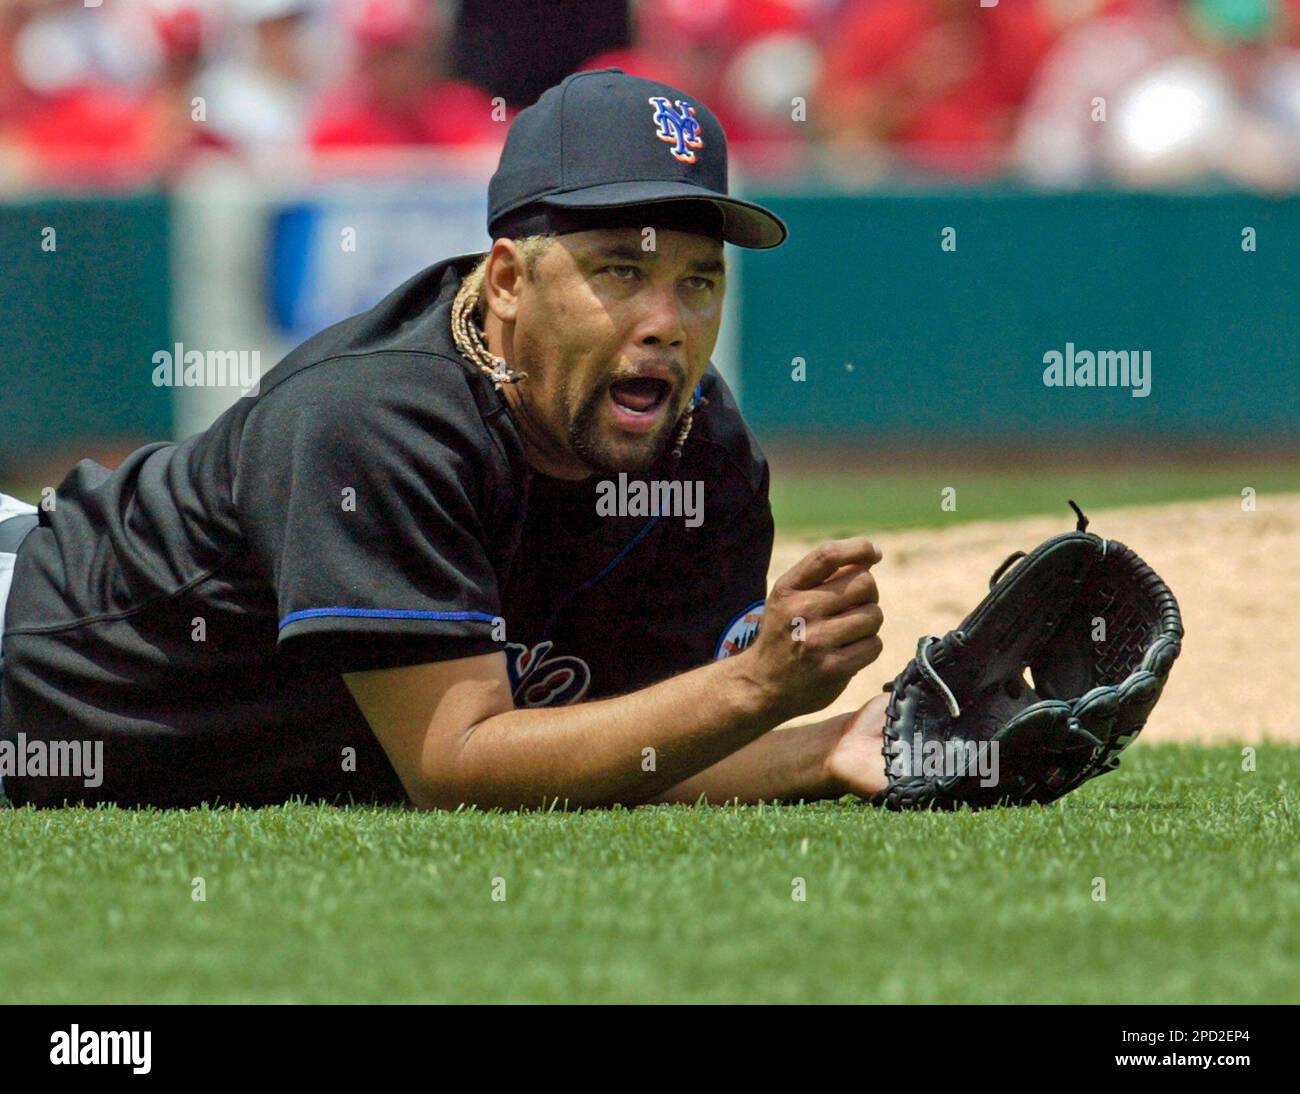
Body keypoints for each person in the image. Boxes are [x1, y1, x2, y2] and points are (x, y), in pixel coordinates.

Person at [0, 69, 888, 811]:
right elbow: (454, 764)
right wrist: (754, 686)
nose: (667, 322)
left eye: (699, 281)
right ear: (506, 281)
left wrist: (839, 747)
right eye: (620, 269)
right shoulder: (377, 420)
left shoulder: (699, 448)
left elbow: (645, 744)